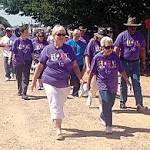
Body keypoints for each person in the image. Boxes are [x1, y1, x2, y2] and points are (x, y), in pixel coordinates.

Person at [31, 25, 84, 140]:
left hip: (64, 83)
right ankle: (58, 129)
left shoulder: (69, 49)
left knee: (59, 104)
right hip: (49, 80)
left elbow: (74, 65)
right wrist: (34, 80)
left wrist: (80, 78)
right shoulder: (47, 49)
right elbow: (40, 65)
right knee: (55, 103)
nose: (61, 37)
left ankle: (56, 118)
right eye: (58, 34)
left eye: (63, 34)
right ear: (53, 36)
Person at [87, 36, 131, 134]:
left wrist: (127, 80)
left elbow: (121, 69)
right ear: (102, 47)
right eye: (107, 47)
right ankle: (109, 125)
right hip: (102, 83)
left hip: (113, 84)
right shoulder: (97, 57)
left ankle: (103, 115)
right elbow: (92, 72)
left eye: (111, 47)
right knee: (106, 102)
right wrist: (89, 83)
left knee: (110, 104)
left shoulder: (115, 56)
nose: (110, 49)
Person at [114, 17, 148, 112]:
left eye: (134, 27)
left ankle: (139, 104)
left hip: (135, 63)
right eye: (131, 27)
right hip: (124, 62)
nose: (133, 28)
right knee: (124, 83)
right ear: (128, 27)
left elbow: (142, 50)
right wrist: (116, 62)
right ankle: (122, 102)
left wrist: (144, 62)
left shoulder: (140, 36)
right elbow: (116, 49)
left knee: (136, 82)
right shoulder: (122, 36)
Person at [10, 25, 34, 100]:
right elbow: (13, 51)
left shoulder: (29, 41)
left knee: (26, 77)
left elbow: (32, 52)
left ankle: (24, 93)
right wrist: (10, 59)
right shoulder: (16, 41)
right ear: (21, 33)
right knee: (19, 77)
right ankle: (20, 89)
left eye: (28, 32)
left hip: (27, 61)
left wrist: (34, 60)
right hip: (18, 61)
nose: (28, 34)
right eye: (26, 32)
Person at [84, 28, 107, 106]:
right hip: (95, 68)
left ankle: (102, 104)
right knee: (94, 86)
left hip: (104, 69)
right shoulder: (92, 42)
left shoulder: (107, 44)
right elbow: (87, 55)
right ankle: (90, 95)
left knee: (103, 87)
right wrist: (87, 66)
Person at [66, 29, 87, 97]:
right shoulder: (68, 43)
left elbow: (85, 54)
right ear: (73, 35)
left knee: (78, 77)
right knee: (70, 77)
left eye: (78, 35)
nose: (77, 37)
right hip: (70, 63)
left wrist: (85, 64)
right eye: (75, 35)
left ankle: (75, 92)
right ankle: (68, 89)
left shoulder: (83, 44)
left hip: (79, 63)